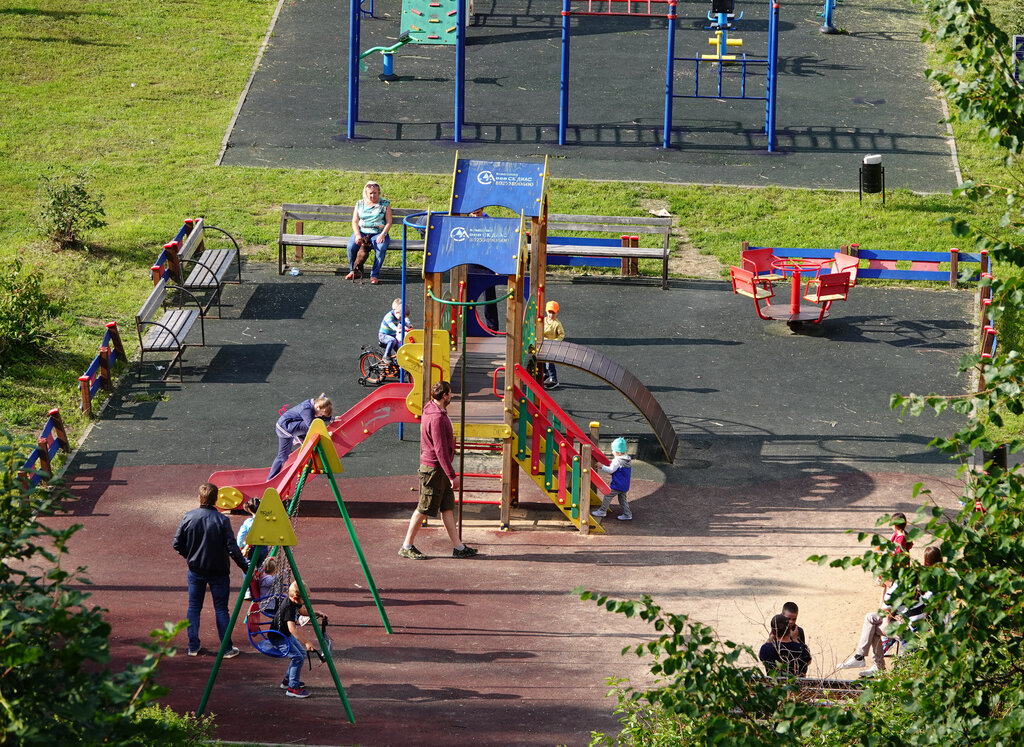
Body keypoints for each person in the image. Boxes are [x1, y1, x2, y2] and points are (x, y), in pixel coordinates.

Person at [399, 380, 480, 560]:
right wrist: (452, 475)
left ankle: (458, 547)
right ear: (444, 396)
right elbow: (440, 450)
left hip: (438, 469)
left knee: (447, 508)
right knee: (423, 507)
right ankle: (407, 545)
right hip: (434, 470)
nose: (451, 396)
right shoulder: (436, 418)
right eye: (450, 393)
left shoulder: (431, 408)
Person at [838, 546, 941, 677]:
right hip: (907, 619)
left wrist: (887, 617)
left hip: (910, 628)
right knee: (870, 618)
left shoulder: (899, 586)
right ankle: (861, 658)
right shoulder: (905, 582)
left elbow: (883, 609)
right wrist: (885, 588)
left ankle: (876, 665)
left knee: (873, 627)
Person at [172, 482, 250, 658]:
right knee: (221, 609)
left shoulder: (188, 517)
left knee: (193, 607)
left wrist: (189, 556)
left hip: (196, 569)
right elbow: (232, 548)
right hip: (219, 571)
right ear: (216, 500)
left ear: (199, 498)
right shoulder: (222, 520)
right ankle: (226, 648)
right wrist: (246, 566)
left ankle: (193, 646)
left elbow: (177, 543)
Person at [267, 395, 333, 479]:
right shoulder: (307, 409)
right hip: (286, 428)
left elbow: (317, 419)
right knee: (312, 424)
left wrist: (331, 419)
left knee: (282, 457)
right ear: (318, 407)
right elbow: (312, 425)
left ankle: (270, 478)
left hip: (283, 428)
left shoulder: (311, 406)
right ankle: (299, 437)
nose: (320, 415)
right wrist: (326, 434)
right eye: (320, 414)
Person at [273, 581, 317, 698]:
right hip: (279, 637)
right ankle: (292, 688)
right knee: (297, 658)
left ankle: (287, 681)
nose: (307, 601)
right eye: (305, 599)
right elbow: (292, 629)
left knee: (301, 654)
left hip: (284, 634)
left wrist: (314, 613)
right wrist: (307, 642)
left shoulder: (295, 602)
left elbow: (301, 611)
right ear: (295, 598)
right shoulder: (289, 607)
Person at [346, 180, 392, 283]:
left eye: (375, 193)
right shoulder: (359, 203)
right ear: (366, 193)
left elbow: (389, 222)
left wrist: (383, 234)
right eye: (370, 193)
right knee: (351, 246)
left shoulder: (385, 204)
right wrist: (357, 234)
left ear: (378, 192)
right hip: (362, 232)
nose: (373, 195)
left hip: (378, 233)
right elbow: (355, 221)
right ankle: (354, 270)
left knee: (381, 247)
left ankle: (374, 275)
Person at [592, 437, 633, 521]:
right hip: (624, 485)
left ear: (617, 452)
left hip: (617, 484)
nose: (612, 452)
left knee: (607, 495)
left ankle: (602, 511)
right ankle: (627, 514)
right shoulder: (627, 459)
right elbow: (618, 470)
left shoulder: (617, 461)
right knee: (622, 499)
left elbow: (611, 470)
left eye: (613, 450)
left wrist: (602, 466)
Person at [379, 297, 412, 365]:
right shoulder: (389, 316)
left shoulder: (398, 316)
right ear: (396, 312)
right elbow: (390, 324)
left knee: (400, 349)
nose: (401, 319)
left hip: (392, 336)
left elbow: (402, 321)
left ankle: (398, 362)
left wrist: (408, 325)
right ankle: (386, 356)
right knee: (392, 341)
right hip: (383, 335)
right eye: (401, 317)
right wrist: (397, 329)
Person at [237, 497, 266, 568]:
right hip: (264, 547)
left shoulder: (248, 522)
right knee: (262, 567)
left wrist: (241, 546)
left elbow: (241, 536)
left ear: (249, 510)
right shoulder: (266, 521)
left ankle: (248, 578)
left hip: (251, 548)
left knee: (248, 568)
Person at [542, 300, 565, 389]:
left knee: (550, 362)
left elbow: (561, 335)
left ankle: (554, 379)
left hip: (552, 346)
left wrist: (555, 341)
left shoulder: (557, 324)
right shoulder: (543, 321)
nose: (551, 315)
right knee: (542, 361)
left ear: (557, 313)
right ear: (546, 311)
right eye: (549, 312)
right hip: (544, 344)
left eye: (553, 313)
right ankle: (545, 373)